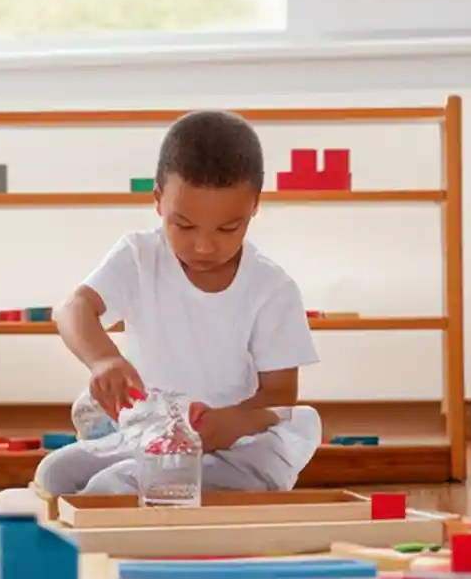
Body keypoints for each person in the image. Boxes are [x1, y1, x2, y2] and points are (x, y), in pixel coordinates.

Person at [35, 110, 323, 496]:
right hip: (155, 434)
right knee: (56, 472)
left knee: (112, 486)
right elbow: (74, 309)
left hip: (239, 446)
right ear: (158, 200)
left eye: (227, 228)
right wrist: (103, 358)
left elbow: (281, 394)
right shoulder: (140, 255)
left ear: (255, 205)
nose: (204, 246)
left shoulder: (271, 287)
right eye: (183, 225)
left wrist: (231, 422)